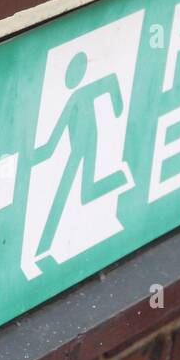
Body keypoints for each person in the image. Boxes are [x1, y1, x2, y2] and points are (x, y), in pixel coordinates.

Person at [36, 51, 129, 258]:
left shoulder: (83, 92)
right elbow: (56, 135)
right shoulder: (76, 97)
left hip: (86, 143)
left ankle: (43, 248)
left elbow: (110, 82)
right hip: (77, 148)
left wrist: (117, 105)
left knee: (73, 189)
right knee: (83, 189)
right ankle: (43, 248)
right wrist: (39, 155)